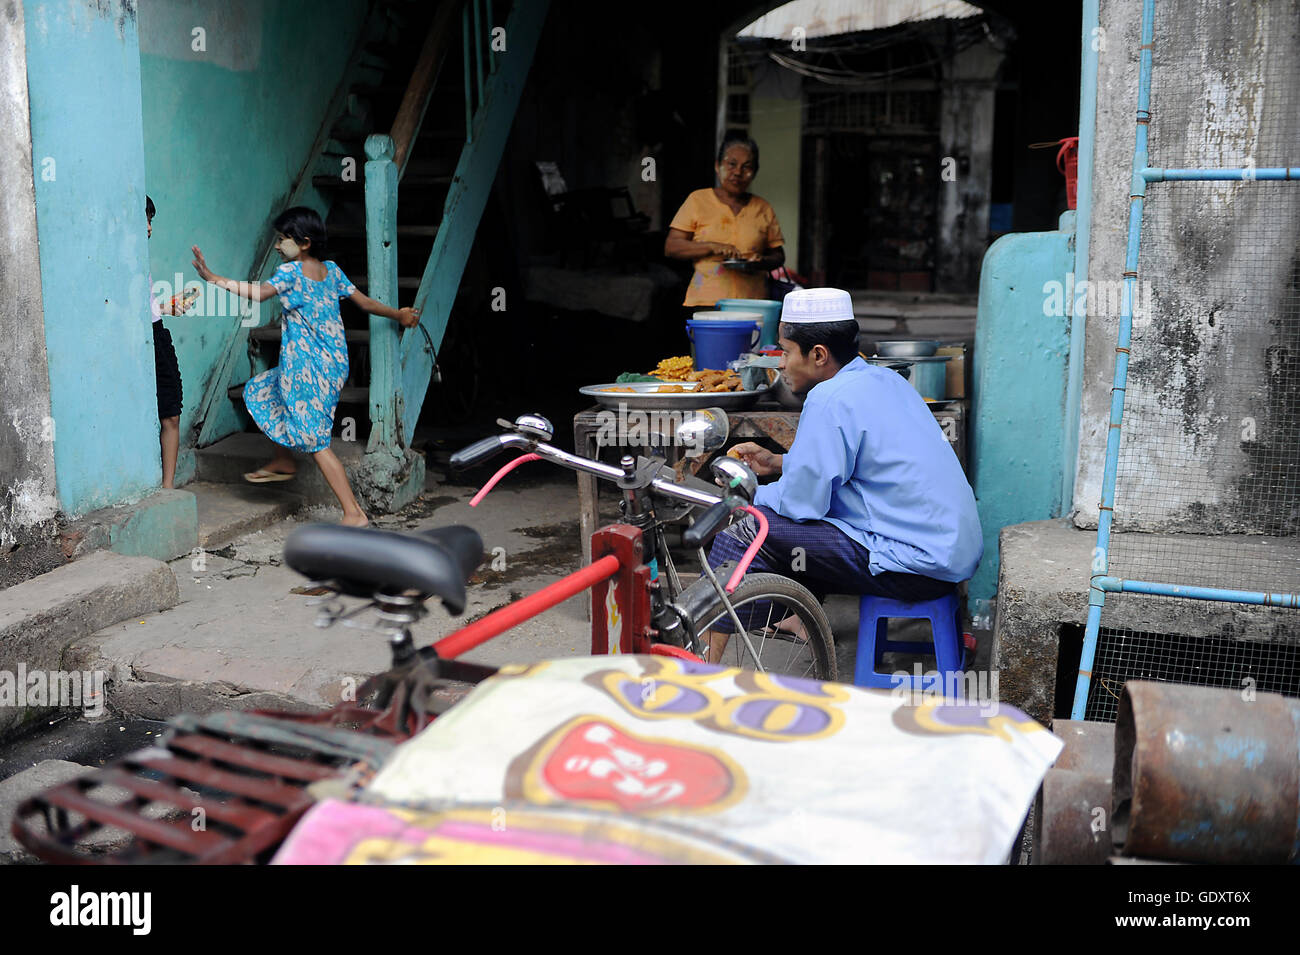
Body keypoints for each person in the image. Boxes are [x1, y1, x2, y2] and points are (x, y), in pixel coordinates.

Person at [707, 287, 983, 660]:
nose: (781, 365)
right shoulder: (886, 381)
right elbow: (857, 470)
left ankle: (700, 666)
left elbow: (802, 503)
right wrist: (778, 463)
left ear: (818, 354)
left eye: (786, 352)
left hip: (914, 566)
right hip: (948, 554)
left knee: (748, 527)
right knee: (805, 525)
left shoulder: (830, 398)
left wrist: (753, 491)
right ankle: (797, 616)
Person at [190, 207, 420, 527]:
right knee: (260, 391)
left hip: (307, 370)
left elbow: (257, 294)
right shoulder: (332, 271)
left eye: (282, 240)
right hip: (333, 365)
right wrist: (399, 315)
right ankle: (284, 460)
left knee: (317, 444)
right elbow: (365, 304)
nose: (277, 246)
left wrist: (214, 278)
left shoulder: (291, 274)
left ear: (304, 242)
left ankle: (353, 513)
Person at [664, 137, 786, 307]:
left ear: (755, 172)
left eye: (746, 167)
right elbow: (671, 247)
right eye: (731, 164)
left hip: (753, 304)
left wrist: (761, 262)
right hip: (707, 302)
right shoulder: (698, 200)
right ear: (717, 166)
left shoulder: (762, 208)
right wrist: (711, 246)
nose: (738, 172)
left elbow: (779, 256)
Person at [146, 196, 189, 489]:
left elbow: (145, 306)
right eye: (144, 220)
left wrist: (164, 305)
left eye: (151, 221)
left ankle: (168, 487)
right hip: (143, 339)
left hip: (157, 334)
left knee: (171, 412)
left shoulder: (138, 261)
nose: (149, 228)